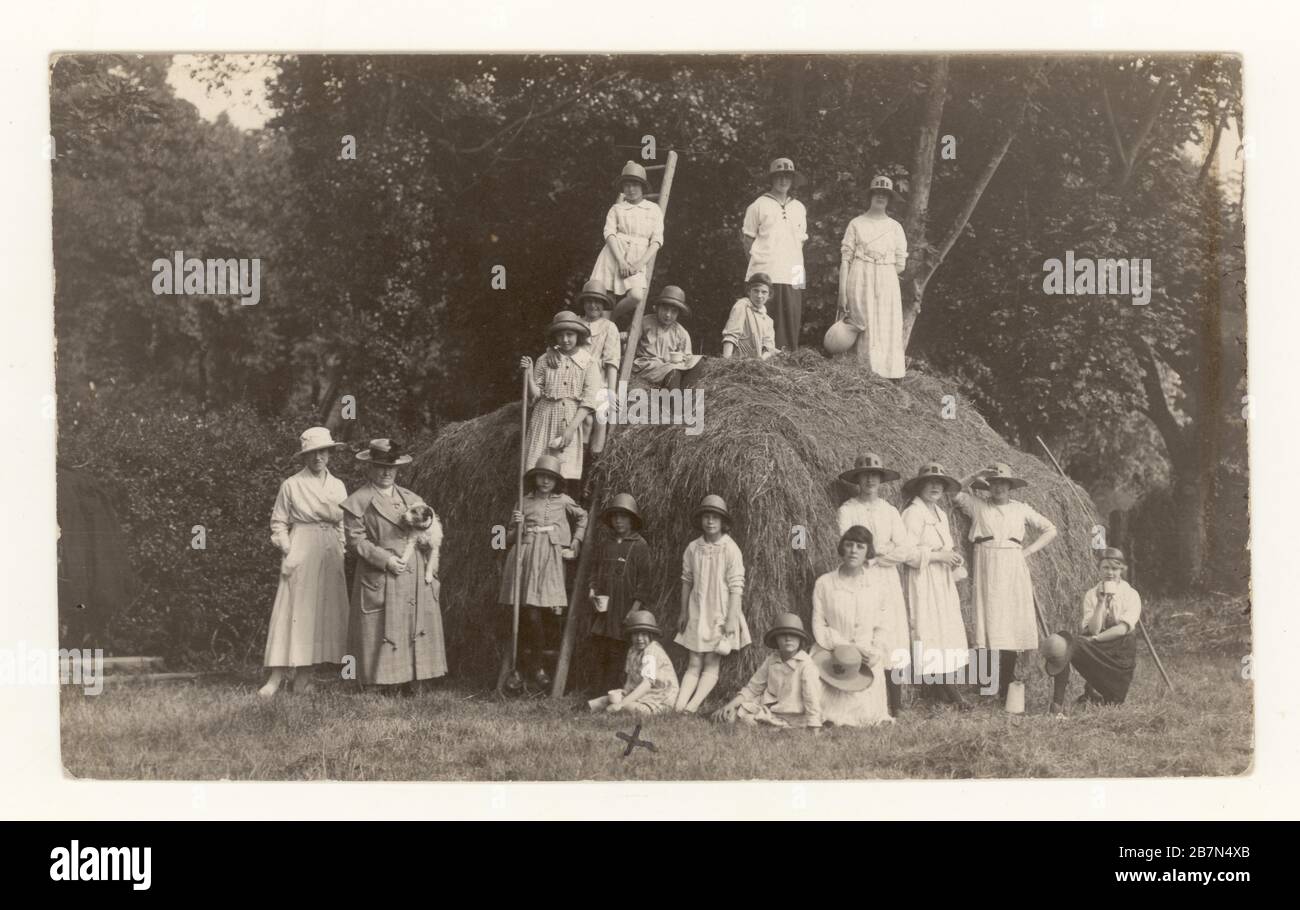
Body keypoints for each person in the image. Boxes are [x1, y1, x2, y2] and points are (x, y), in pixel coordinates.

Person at [342, 438, 447, 694]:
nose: (386, 472)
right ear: (369, 467)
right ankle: (379, 682)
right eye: (380, 467)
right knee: (382, 626)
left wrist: (428, 546)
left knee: (415, 622)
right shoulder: (358, 501)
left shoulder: (412, 498)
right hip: (381, 572)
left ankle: (416, 679)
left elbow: (430, 530)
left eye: (391, 467)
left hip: (414, 571)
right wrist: (385, 560)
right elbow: (355, 540)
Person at [952, 463, 1058, 699]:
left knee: (1009, 624)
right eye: (994, 483)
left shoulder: (1021, 509)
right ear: (988, 487)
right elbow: (954, 492)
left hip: (1012, 567)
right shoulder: (978, 505)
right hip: (986, 564)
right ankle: (985, 685)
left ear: (1010, 486)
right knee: (986, 621)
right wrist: (974, 475)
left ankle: (1006, 684)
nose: (998, 487)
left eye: (1003, 483)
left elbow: (1050, 529)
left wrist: (1027, 552)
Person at [259, 427, 351, 698]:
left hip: (330, 549)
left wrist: (342, 550)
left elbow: (344, 522)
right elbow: (278, 522)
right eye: (312, 453)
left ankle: (303, 677)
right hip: (302, 546)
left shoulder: (338, 485)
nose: (318, 458)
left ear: (330, 453)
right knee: (292, 609)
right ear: (304, 456)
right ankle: (275, 678)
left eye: (323, 451)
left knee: (320, 614)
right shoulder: (291, 485)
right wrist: (288, 550)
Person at [497, 454, 588, 690]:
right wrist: (517, 526)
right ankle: (526, 669)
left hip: (549, 559)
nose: (545, 481)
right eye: (541, 476)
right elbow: (503, 539)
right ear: (535, 478)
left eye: (550, 478)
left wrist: (576, 543)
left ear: (557, 481)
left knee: (541, 613)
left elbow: (583, 517)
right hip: (524, 559)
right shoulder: (523, 501)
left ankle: (536, 667)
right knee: (527, 613)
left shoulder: (563, 500)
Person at [836, 453, 913, 716]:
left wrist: (878, 555)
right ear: (857, 479)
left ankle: (897, 703)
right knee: (864, 631)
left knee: (893, 634)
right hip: (862, 578)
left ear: (881, 480)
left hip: (887, 579)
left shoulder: (890, 511)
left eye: (875, 475)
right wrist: (880, 549)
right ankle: (864, 699)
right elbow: (849, 545)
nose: (870, 479)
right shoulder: (848, 510)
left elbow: (904, 550)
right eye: (865, 475)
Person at [899, 462, 971, 707]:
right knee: (929, 633)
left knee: (945, 633)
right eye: (929, 483)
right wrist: (939, 556)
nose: (934, 487)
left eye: (939, 484)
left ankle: (941, 693)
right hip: (923, 580)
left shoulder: (940, 514)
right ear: (920, 486)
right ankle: (953, 696)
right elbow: (906, 553)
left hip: (942, 581)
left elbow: (945, 546)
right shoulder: (913, 514)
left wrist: (953, 558)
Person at [674, 494, 751, 713]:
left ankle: (692, 706)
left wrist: (731, 620)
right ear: (700, 520)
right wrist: (683, 613)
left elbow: (737, 587)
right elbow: (686, 580)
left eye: (715, 517)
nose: (710, 521)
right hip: (698, 608)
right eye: (706, 517)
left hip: (721, 610)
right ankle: (679, 706)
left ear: (723, 522)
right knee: (694, 658)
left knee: (711, 659)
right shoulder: (693, 548)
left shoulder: (730, 549)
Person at [1043, 548, 1142, 716]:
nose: (1110, 572)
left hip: (1120, 655)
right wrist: (1100, 602)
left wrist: (1095, 640)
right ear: (1099, 568)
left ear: (1122, 569)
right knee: (1068, 644)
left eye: (1115, 568)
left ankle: (1091, 691)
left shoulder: (1131, 595)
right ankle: (1056, 707)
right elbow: (1094, 629)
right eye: (1105, 568)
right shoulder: (1091, 594)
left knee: (1114, 701)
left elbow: (1122, 629)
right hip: (1098, 648)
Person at [810, 525, 893, 726]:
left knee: (867, 713)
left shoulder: (877, 585)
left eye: (860, 546)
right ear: (842, 549)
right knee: (824, 702)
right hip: (832, 651)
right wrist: (843, 646)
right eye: (849, 545)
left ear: (868, 552)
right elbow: (819, 624)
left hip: (866, 654)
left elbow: (883, 625)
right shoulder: (825, 583)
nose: (854, 551)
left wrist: (874, 651)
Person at [519, 310, 603, 500]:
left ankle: (563, 521)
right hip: (543, 418)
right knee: (538, 469)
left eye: (570, 334)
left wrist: (571, 429)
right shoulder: (545, 359)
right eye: (560, 334)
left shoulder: (588, 363)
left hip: (570, 420)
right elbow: (536, 394)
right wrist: (529, 374)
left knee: (565, 473)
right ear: (554, 337)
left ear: (578, 336)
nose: (565, 339)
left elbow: (589, 400)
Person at [837, 175, 908, 377]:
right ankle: (860, 371)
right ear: (870, 196)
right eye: (877, 193)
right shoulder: (856, 223)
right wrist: (842, 292)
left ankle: (885, 372)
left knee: (884, 322)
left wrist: (882, 274)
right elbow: (845, 259)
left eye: (885, 194)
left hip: (886, 279)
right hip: (859, 275)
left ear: (889, 199)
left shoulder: (895, 227)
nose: (880, 197)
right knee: (862, 322)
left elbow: (901, 264)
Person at [587, 493, 652, 694]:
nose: (618, 521)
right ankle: (596, 692)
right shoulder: (605, 544)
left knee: (619, 650)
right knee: (599, 648)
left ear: (632, 519)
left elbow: (645, 582)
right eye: (615, 516)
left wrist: (634, 610)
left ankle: (614, 692)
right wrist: (592, 590)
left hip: (625, 608)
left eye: (623, 516)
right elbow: (595, 571)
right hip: (604, 608)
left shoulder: (640, 545)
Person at [712, 612, 822, 729]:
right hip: (770, 710)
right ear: (776, 639)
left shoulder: (806, 665)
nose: (788, 638)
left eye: (793, 635)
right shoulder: (772, 660)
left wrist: (814, 725)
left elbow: (812, 698)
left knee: (748, 721)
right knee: (732, 715)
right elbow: (753, 688)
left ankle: (768, 725)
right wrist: (730, 705)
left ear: (800, 639)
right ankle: (740, 716)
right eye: (783, 634)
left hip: (794, 716)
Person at [742, 157, 808, 350]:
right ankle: (763, 365)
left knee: (791, 320)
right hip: (766, 270)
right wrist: (759, 270)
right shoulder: (758, 205)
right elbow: (747, 241)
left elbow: (800, 243)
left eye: (787, 176)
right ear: (772, 179)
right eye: (779, 176)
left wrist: (796, 273)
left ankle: (788, 365)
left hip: (794, 272)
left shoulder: (799, 207)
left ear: (793, 180)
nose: (783, 180)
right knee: (763, 321)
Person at [592, 161, 664, 327]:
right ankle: (603, 333)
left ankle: (611, 320)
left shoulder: (653, 209)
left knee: (636, 295)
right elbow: (609, 234)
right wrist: (621, 261)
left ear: (642, 187)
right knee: (604, 298)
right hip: (613, 255)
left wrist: (640, 263)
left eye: (635, 185)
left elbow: (657, 240)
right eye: (627, 185)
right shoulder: (616, 209)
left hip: (638, 259)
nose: (630, 190)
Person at [586, 610, 679, 716]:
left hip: (659, 700)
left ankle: (608, 713)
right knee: (609, 698)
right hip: (642, 696)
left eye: (644, 634)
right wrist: (624, 692)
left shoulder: (652, 651)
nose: (639, 639)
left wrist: (621, 704)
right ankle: (585, 710)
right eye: (635, 634)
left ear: (651, 635)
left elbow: (647, 684)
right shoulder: (632, 651)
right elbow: (630, 678)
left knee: (624, 707)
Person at [628, 285, 702, 392]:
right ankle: (675, 403)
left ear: (678, 314)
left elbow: (687, 357)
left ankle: (683, 397)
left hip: (669, 366)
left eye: (673, 311)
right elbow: (630, 345)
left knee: (698, 361)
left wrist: (682, 358)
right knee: (673, 373)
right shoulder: (645, 322)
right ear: (657, 308)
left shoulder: (681, 332)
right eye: (665, 309)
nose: (668, 315)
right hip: (648, 366)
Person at [721, 272, 778, 361]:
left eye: (764, 292)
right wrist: (726, 362)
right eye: (756, 290)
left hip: (756, 366)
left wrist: (760, 361)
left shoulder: (768, 321)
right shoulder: (742, 306)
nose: (759, 296)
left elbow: (768, 348)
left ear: (769, 295)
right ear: (749, 291)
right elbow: (731, 336)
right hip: (738, 363)